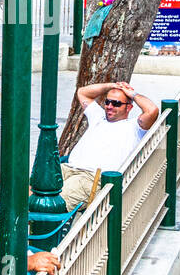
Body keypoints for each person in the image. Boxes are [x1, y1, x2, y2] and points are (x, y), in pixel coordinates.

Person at [59, 80, 159, 209]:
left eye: (116, 103)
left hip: (92, 177)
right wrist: (111, 86)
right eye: (107, 102)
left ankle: (37, 227)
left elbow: (152, 110)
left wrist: (132, 94)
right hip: (68, 168)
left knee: (53, 203)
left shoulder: (135, 127)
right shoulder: (98, 117)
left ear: (128, 107)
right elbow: (82, 92)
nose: (110, 106)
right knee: (31, 189)